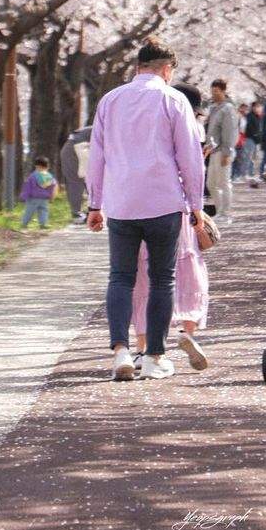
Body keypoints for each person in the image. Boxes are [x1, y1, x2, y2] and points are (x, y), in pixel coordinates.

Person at [87, 37, 205, 382]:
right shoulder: (174, 100)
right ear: (167, 69)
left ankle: (121, 351)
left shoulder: (110, 100)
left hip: (121, 202)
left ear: (138, 67)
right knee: (162, 278)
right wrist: (195, 204)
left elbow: (97, 155)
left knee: (120, 277)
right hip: (164, 201)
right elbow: (190, 157)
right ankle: (154, 356)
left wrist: (95, 203)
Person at [131, 208, 209, 372]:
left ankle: (141, 350)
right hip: (179, 213)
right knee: (188, 275)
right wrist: (197, 208)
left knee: (146, 284)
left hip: (141, 212)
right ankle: (187, 333)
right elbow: (194, 183)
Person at [205, 78, 238, 223]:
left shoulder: (228, 109)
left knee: (224, 182)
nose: (214, 94)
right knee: (211, 183)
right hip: (213, 150)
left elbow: (229, 132)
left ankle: (226, 212)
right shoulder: (214, 108)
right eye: (212, 91)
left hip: (223, 150)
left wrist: (227, 152)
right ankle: (219, 210)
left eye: (216, 91)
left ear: (223, 91)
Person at [59, 124, 92, 221]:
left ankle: (88, 211)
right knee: (78, 180)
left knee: (87, 180)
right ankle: (78, 213)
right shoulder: (112, 128)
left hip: (74, 146)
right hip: (79, 147)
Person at [20, 157, 58, 228]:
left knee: (29, 211)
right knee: (43, 211)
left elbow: (28, 187)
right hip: (44, 198)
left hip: (33, 198)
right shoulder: (49, 176)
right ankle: (43, 224)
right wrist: (51, 196)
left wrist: (24, 196)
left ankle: (24, 224)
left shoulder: (33, 176)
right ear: (47, 166)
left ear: (36, 166)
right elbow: (52, 186)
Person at [243, 101, 263, 185]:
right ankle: (245, 174)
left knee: (255, 158)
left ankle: (252, 174)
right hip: (250, 139)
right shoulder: (249, 116)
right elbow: (250, 129)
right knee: (248, 157)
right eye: (256, 107)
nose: (258, 108)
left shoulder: (259, 116)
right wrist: (256, 136)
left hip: (257, 140)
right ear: (253, 107)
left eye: (259, 107)